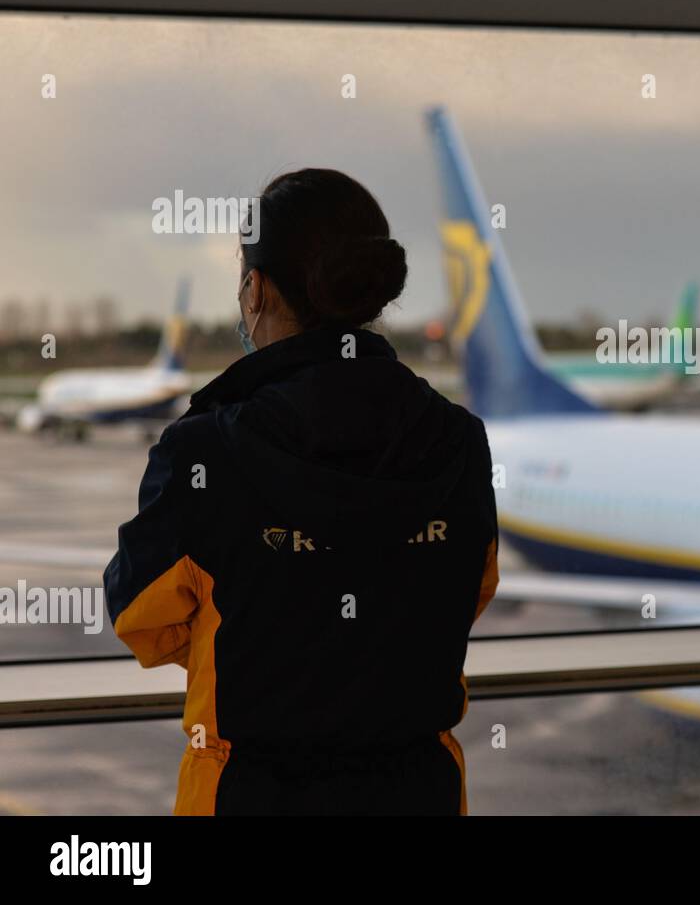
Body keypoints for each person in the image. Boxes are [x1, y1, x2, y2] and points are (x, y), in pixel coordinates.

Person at [103, 168, 498, 815]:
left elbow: (139, 618)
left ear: (255, 290)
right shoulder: (460, 441)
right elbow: (467, 590)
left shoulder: (206, 451)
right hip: (418, 791)